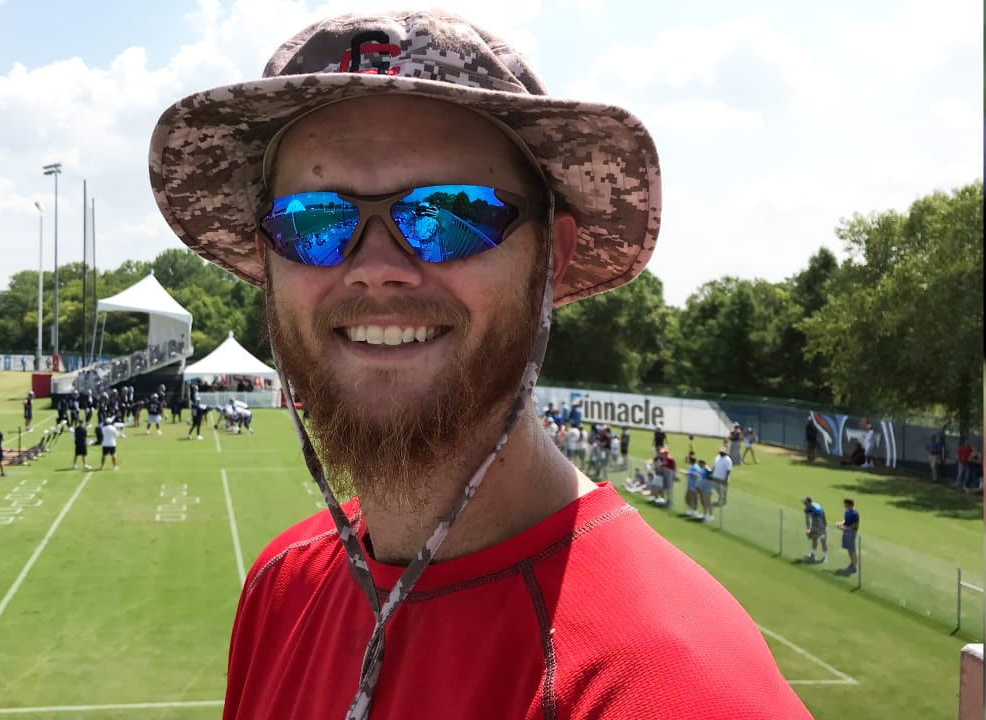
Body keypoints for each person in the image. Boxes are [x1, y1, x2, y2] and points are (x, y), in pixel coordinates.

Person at [150, 10, 809, 718]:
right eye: (313, 221)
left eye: (450, 212)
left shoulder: (672, 688)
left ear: (552, 256)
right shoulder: (281, 589)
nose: (376, 270)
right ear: (267, 257)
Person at [836, 498, 859, 574]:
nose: (844, 505)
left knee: (852, 550)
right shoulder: (847, 511)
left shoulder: (855, 513)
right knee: (849, 549)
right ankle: (852, 564)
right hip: (846, 532)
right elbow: (845, 521)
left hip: (851, 533)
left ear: (850, 504)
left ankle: (854, 567)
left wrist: (844, 528)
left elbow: (855, 525)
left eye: (845, 504)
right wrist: (841, 523)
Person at [803, 496, 827, 564]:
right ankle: (813, 554)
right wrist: (808, 529)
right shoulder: (806, 508)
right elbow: (807, 519)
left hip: (821, 524)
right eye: (804, 503)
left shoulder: (817, 509)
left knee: (823, 540)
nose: (804, 504)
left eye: (806, 503)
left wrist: (819, 529)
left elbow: (821, 520)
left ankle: (824, 557)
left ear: (810, 502)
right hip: (814, 523)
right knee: (814, 539)